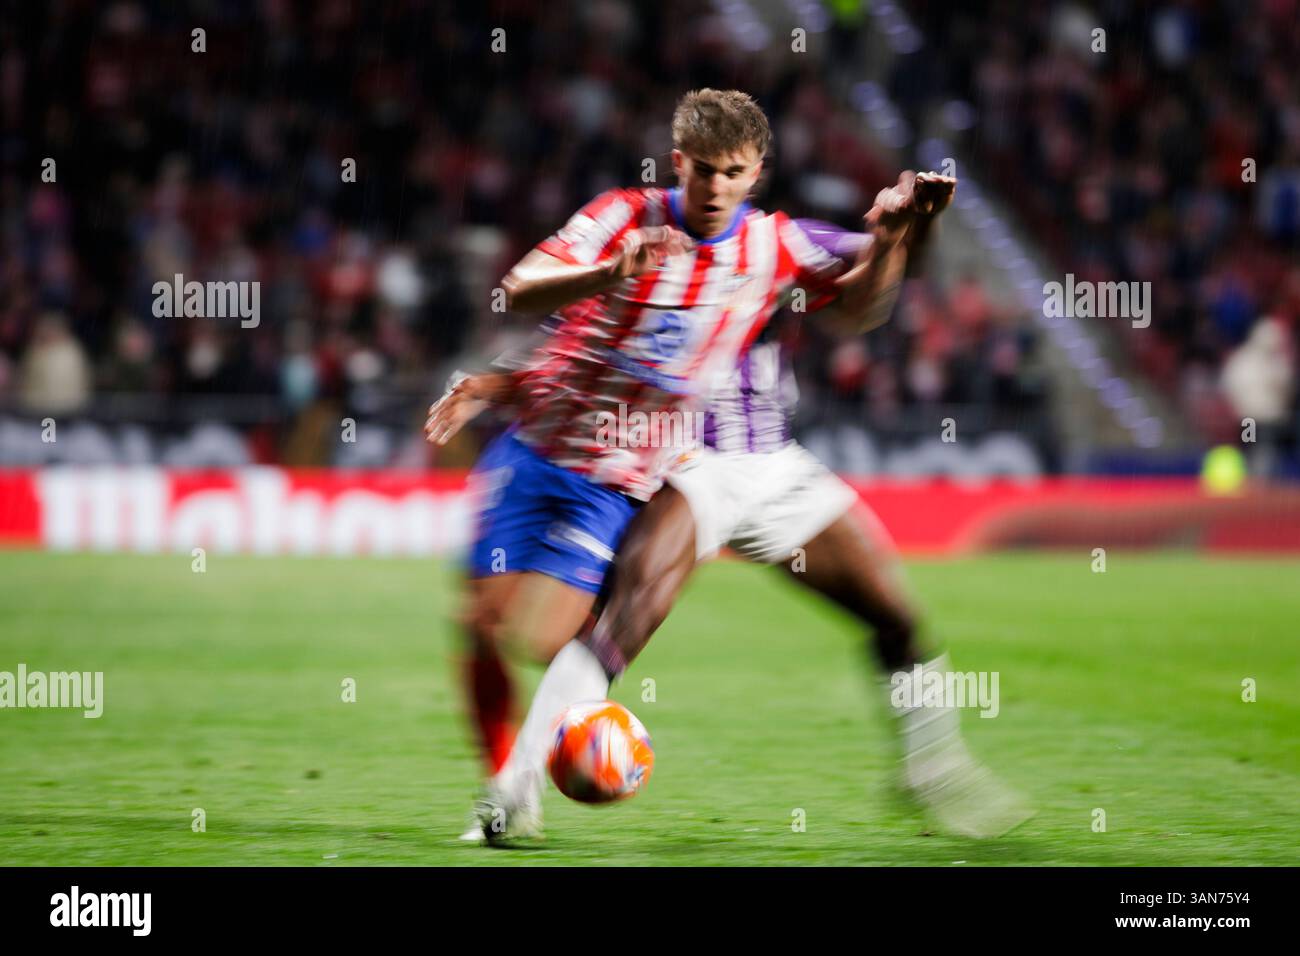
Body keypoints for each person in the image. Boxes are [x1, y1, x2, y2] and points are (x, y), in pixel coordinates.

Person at [427, 88, 961, 842]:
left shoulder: (778, 243)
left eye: (732, 172)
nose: (714, 188)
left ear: (757, 173)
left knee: (895, 615)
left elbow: (864, 304)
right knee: (606, 626)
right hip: (683, 462)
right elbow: (519, 293)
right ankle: (510, 796)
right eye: (702, 171)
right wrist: (610, 275)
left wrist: (911, 229)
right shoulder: (625, 218)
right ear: (679, 163)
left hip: (769, 463)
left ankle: (931, 770)